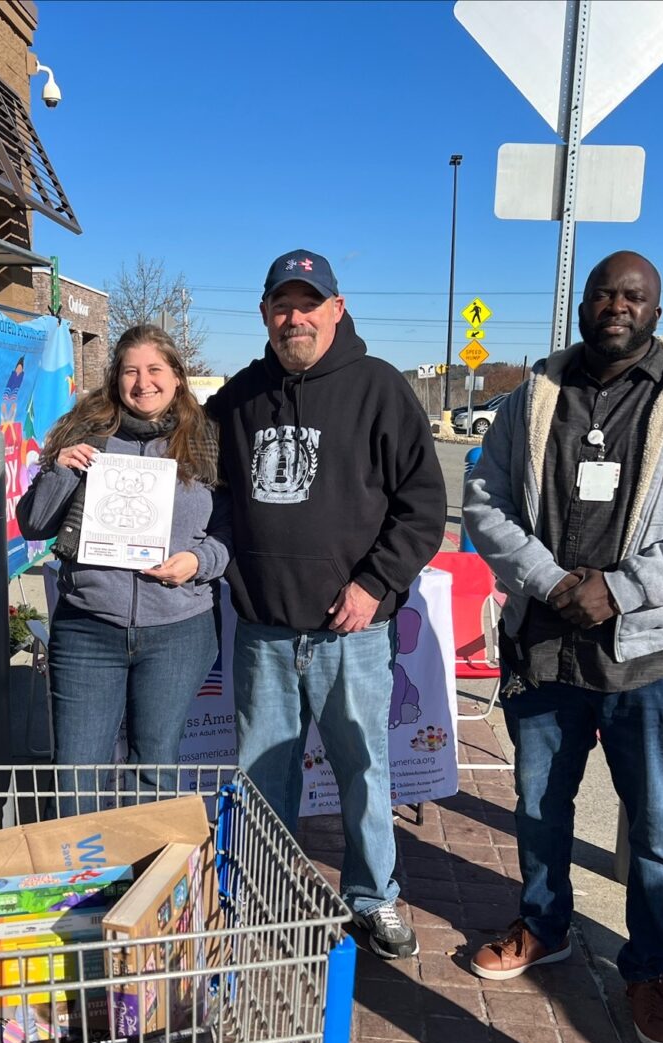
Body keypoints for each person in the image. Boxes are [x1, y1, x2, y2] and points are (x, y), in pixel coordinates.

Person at [462, 251, 663, 1043]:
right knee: (538, 807)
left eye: (636, 295)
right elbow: (483, 500)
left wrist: (621, 589)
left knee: (659, 823)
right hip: (548, 646)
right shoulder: (535, 396)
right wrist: (550, 579)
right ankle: (544, 925)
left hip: (651, 659)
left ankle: (650, 968)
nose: (617, 305)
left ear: (658, 309)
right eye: (605, 292)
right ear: (584, 302)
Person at [204, 249, 447, 960]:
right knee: (262, 776)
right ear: (264, 314)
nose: (294, 317)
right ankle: (268, 897)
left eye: (309, 304)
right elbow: (190, 469)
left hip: (352, 632)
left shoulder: (380, 389)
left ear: (337, 310)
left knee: (365, 770)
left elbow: (422, 506)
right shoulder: (240, 396)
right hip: (263, 627)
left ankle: (374, 897)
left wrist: (376, 583)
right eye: (282, 304)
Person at [17, 325, 228, 815]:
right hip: (89, 627)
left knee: (153, 768)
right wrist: (62, 469)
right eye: (131, 371)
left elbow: (233, 533)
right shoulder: (84, 436)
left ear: (177, 376)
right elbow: (35, 524)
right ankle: (84, 887)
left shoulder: (206, 441)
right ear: (116, 379)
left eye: (155, 370)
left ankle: (140, 882)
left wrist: (199, 562)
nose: (143, 382)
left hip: (178, 631)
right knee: (78, 772)